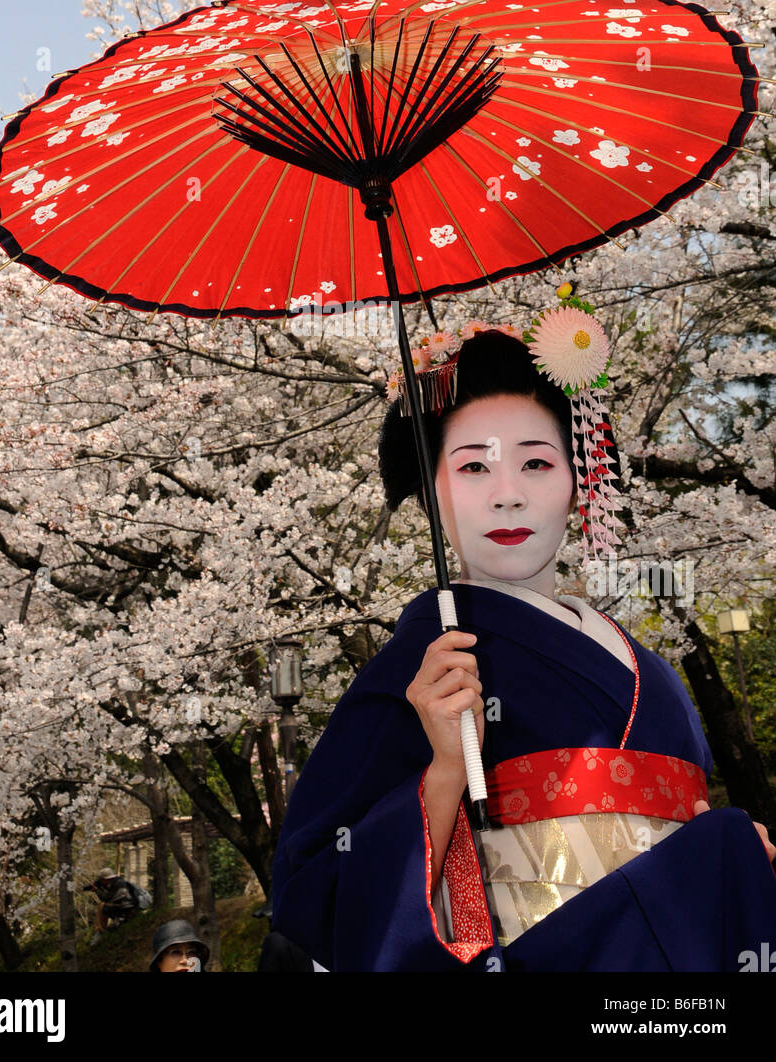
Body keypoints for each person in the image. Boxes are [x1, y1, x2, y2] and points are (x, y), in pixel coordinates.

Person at [270, 293, 776, 972]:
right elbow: (316, 898)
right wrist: (445, 773)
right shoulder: (415, 678)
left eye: (536, 463)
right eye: (473, 466)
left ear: (579, 480)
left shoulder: (652, 675)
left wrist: (734, 857)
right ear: (433, 490)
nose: (507, 493)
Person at [84, 867, 139, 938]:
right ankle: (113, 923)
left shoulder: (118, 884)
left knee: (102, 907)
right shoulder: (118, 881)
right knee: (103, 905)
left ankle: (100, 931)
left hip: (126, 908)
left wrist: (97, 890)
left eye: (102, 880)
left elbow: (106, 898)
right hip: (128, 906)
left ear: (106, 879)